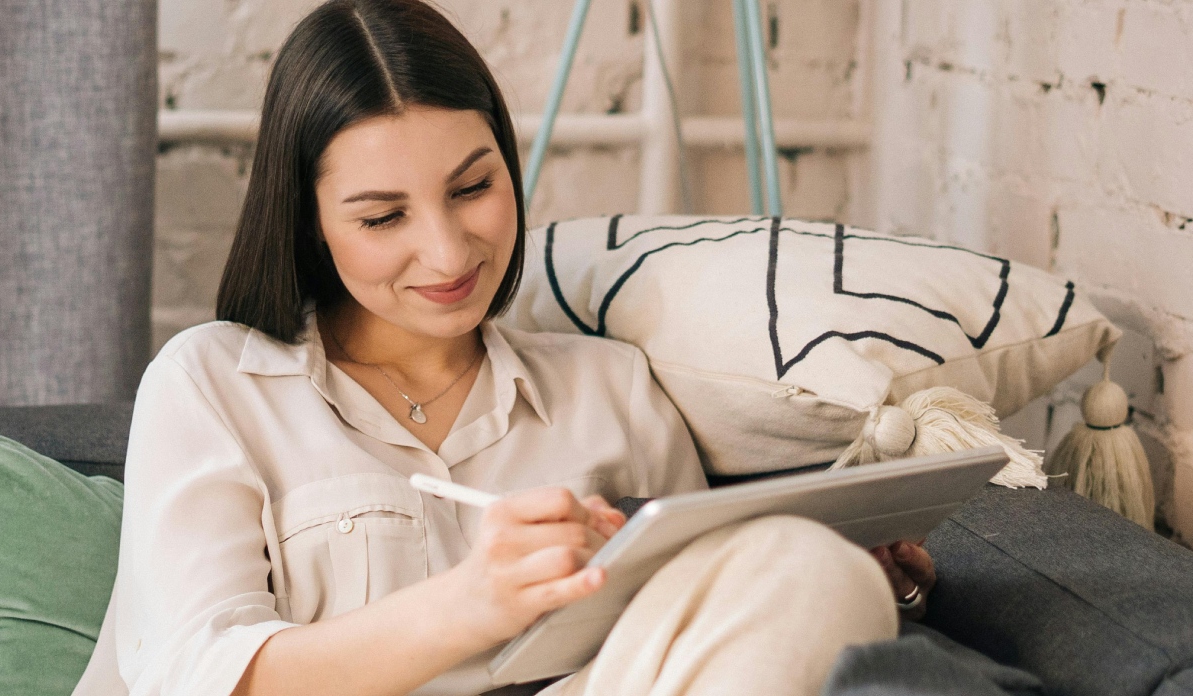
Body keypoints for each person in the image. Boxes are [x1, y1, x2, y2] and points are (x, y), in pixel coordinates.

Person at [73, 1, 935, 694]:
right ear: (309, 221)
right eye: (383, 217)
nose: (450, 254)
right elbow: (193, 675)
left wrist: (841, 570)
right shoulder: (215, 382)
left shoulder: (611, 389)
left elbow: (690, 636)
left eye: (474, 187)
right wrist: (470, 603)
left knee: (809, 573)